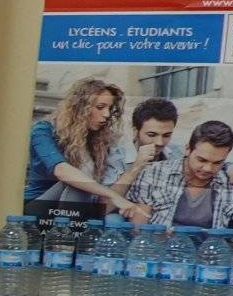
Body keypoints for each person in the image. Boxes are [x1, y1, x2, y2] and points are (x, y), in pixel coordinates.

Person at [25, 77, 148, 220]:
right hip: (39, 209)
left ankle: (65, 238)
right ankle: (62, 240)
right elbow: (61, 171)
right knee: (79, 184)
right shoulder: (43, 130)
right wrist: (112, 195)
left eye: (109, 108)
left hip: (75, 209)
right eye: (100, 107)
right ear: (80, 107)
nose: (107, 114)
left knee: (105, 212)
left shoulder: (96, 139)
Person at [131, 120, 233, 231]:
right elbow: (138, 228)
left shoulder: (232, 184)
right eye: (202, 160)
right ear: (188, 149)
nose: (208, 168)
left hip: (210, 252)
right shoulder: (154, 173)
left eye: (217, 163)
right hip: (159, 249)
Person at [105, 97, 180, 196]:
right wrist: (135, 167)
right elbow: (104, 206)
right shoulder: (115, 158)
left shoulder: (178, 154)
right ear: (135, 131)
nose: (160, 142)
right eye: (151, 135)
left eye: (167, 135)